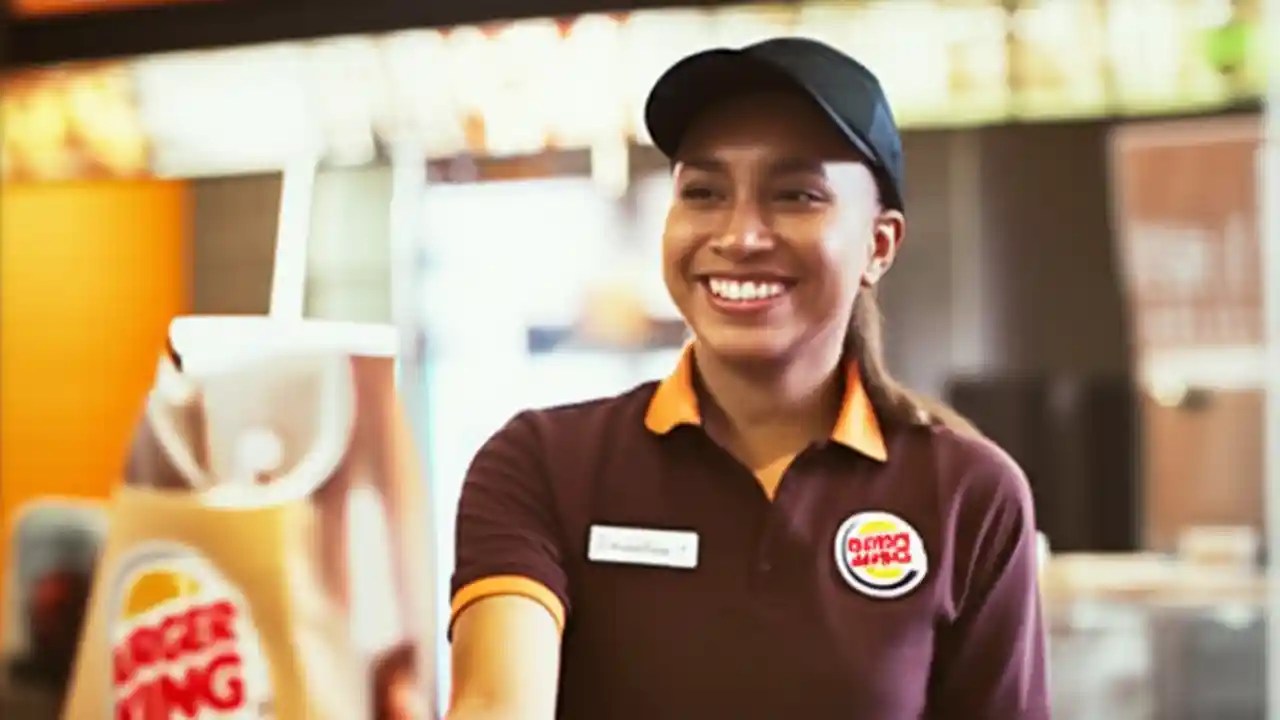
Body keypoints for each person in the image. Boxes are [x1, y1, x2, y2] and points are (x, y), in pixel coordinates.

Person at [447, 37, 1048, 720]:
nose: (739, 235)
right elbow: (496, 704)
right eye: (703, 192)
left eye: (796, 195)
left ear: (878, 245)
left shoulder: (967, 494)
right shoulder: (543, 466)